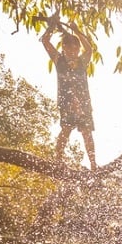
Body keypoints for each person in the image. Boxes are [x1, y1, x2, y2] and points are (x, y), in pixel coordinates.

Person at [41, 19, 97, 170]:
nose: (73, 50)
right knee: (66, 129)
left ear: (78, 49)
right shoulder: (59, 60)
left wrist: (77, 31)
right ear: (63, 47)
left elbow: (90, 49)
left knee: (87, 132)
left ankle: (93, 164)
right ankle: (58, 159)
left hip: (84, 102)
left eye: (76, 47)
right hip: (66, 102)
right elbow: (45, 41)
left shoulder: (82, 61)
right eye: (69, 47)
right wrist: (52, 25)